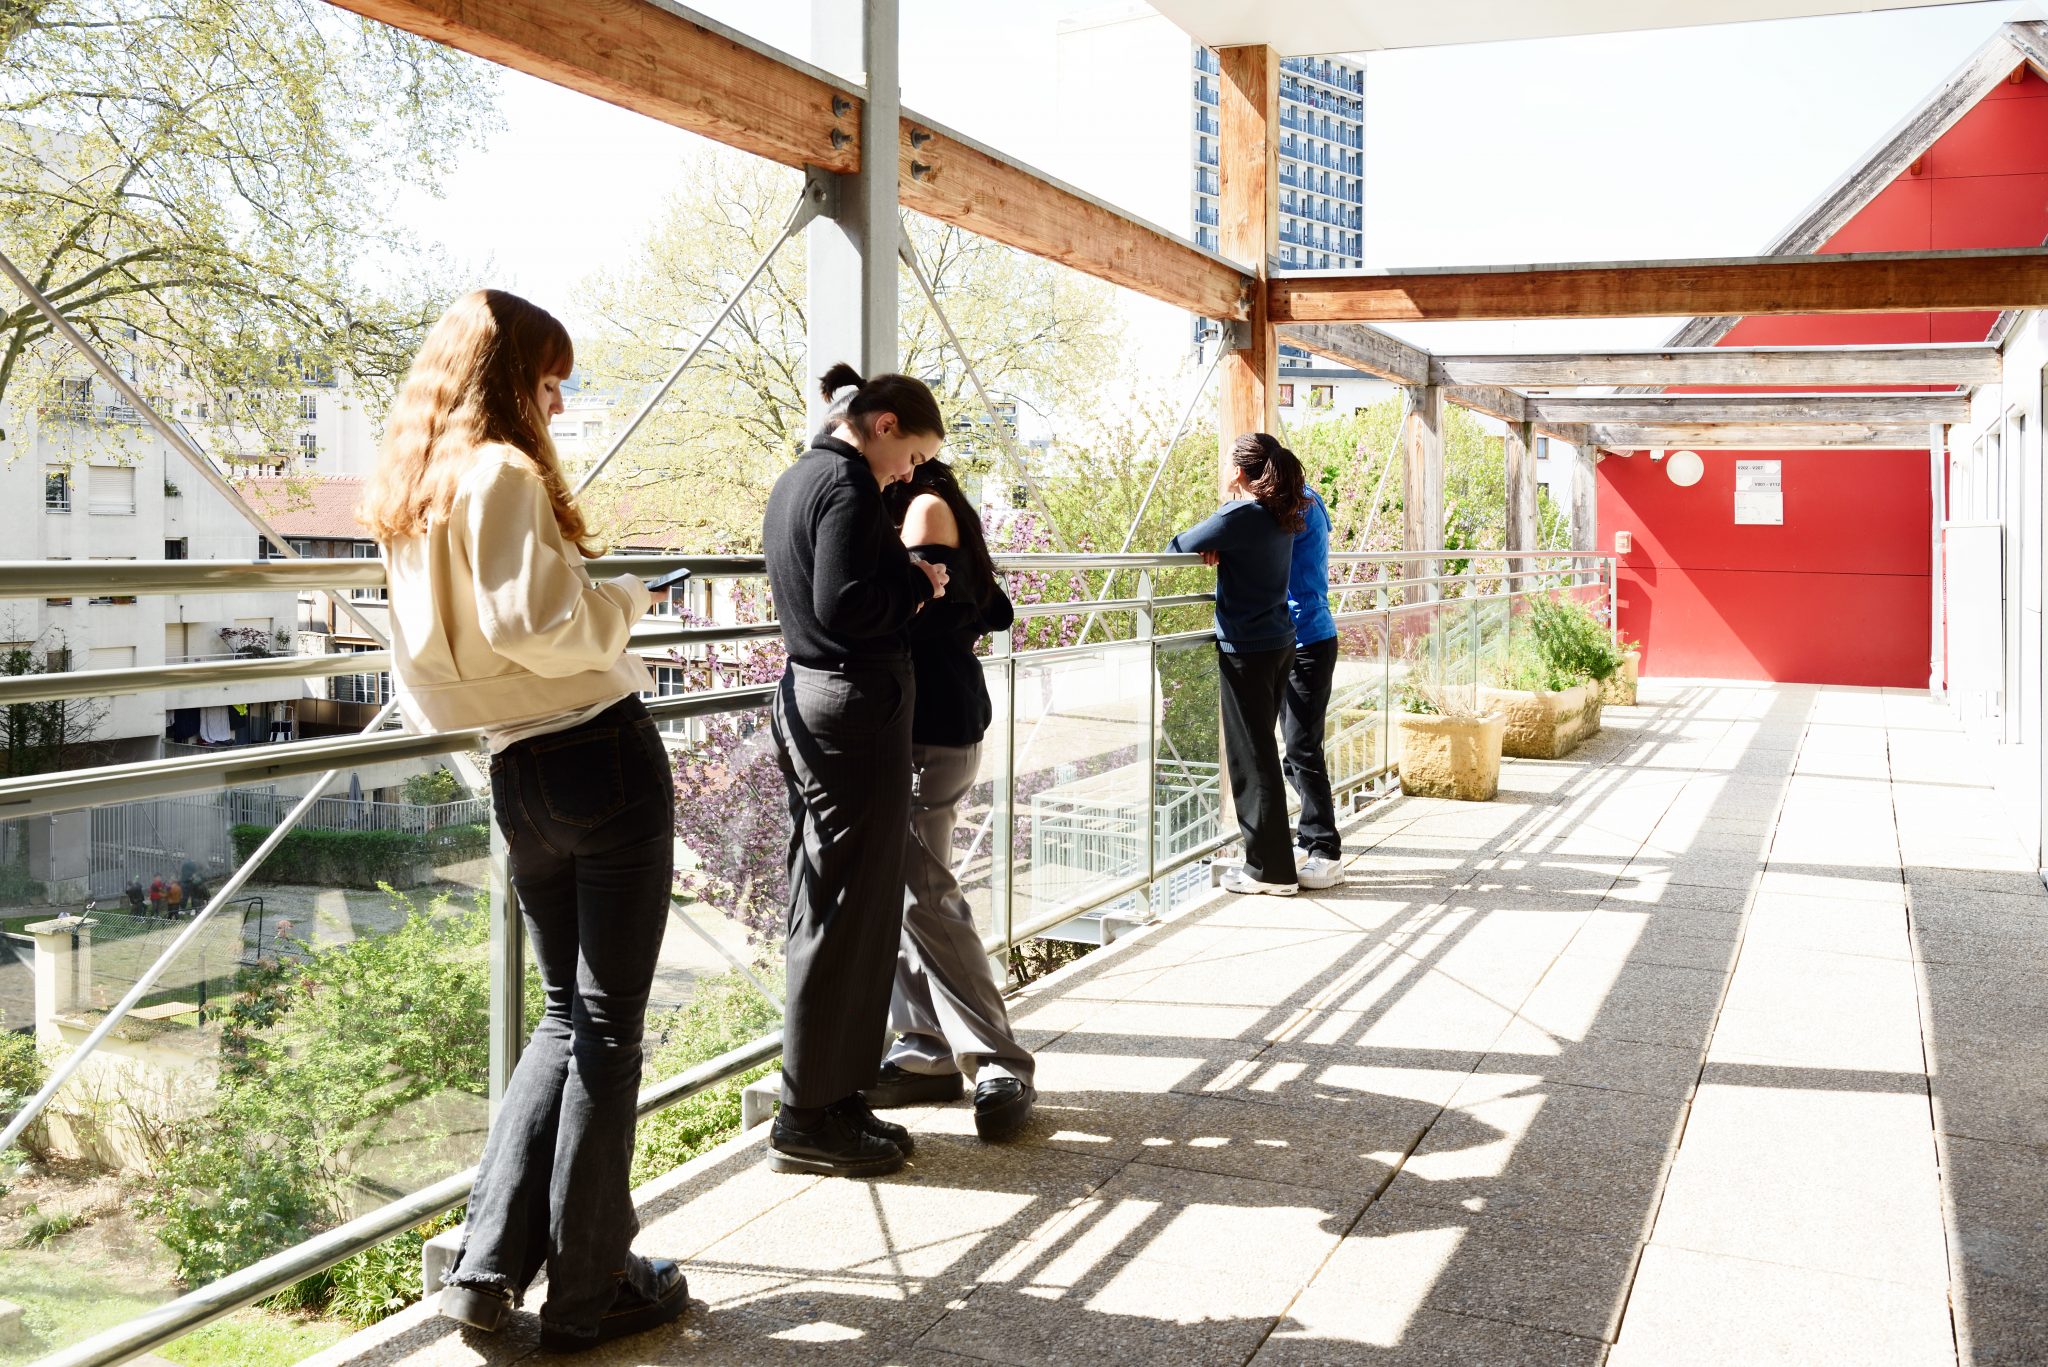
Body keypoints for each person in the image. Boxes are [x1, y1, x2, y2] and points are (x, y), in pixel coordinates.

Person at [363, 289, 687, 1351]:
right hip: (596, 749)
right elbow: (537, 619)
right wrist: (625, 602)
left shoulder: (412, 492)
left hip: (513, 771)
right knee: (607, 1027)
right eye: (550, 379)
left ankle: (486, 1268)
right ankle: (593, 1288)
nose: (557, 400)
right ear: (512, 378)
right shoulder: (500, 470)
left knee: (563, 1015)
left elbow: (433, 660)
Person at [761, 363, 949, 1178]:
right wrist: (915, 584)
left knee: (833, 902)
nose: (911, 473)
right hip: (853, 710)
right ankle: (811, 1115)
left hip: (818, 701)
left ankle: (830, 1098)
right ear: (881, 427)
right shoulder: (843, 486)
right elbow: (843, 603)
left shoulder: (798, 476)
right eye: (911, 454)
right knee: (851, 909)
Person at [861, 459, 1035, 1141]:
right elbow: (987, 606)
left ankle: (998, 1058)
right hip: (932, 723)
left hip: (929, 729)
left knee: (923, 894)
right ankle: (927, 1048)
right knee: (905, 892)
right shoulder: (934, 504)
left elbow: (923, 616)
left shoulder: (922, 507)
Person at [1168, 433, 1310, 896]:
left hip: (1246, 649)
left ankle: (1270, 870)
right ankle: (1273, 862)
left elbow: (1178, 546)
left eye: (1229, 461)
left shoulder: (1240, 514)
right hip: (1279, 642)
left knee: (1251, 758)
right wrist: (1222, 547)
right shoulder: (1280, 513)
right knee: (1262, 752)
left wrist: (1216, 544)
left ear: (1241, 472)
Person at [1282, 479, 1344, 891]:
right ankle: (1310, 837)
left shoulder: (1296, 506)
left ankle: (1325, 849)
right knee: (1293, 754)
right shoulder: (1308, 499)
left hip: (1308, 641)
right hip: (1299, 638)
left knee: (1302, 749)